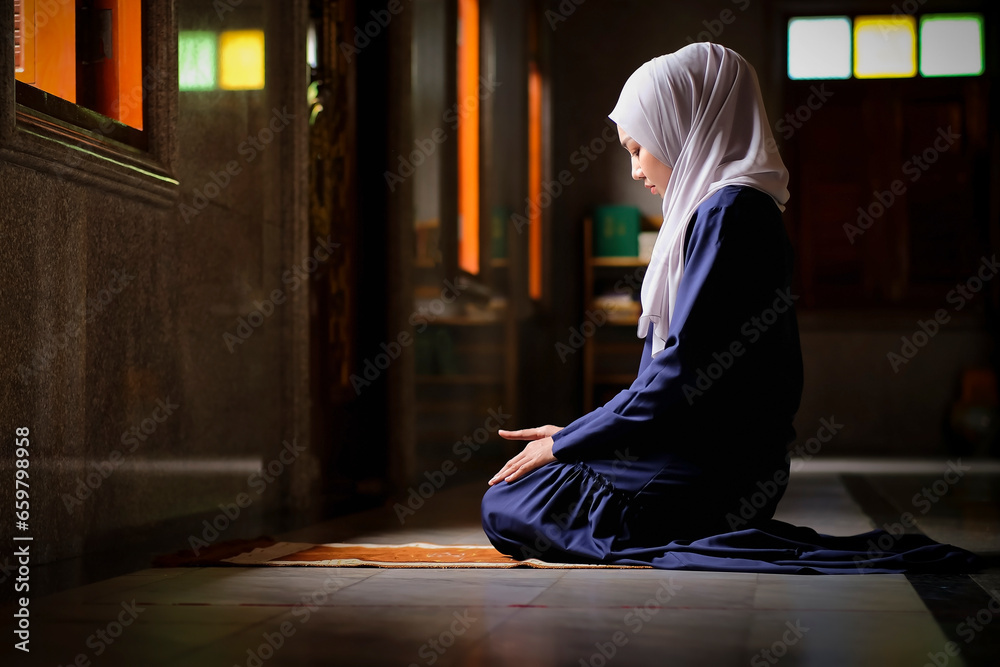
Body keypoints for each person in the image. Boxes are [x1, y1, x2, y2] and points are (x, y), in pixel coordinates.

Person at [479, 43, 979, 574]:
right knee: (522, 491)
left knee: (508, 504)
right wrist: (576, 437)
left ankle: (702, 529)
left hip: (709, 465)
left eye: (636, 148)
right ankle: (692, 522)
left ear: (681, 127)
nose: (634, 171)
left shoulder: (730, 212)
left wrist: (568, 441)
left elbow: (681, 373)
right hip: (705, 452)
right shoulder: (722, 208)